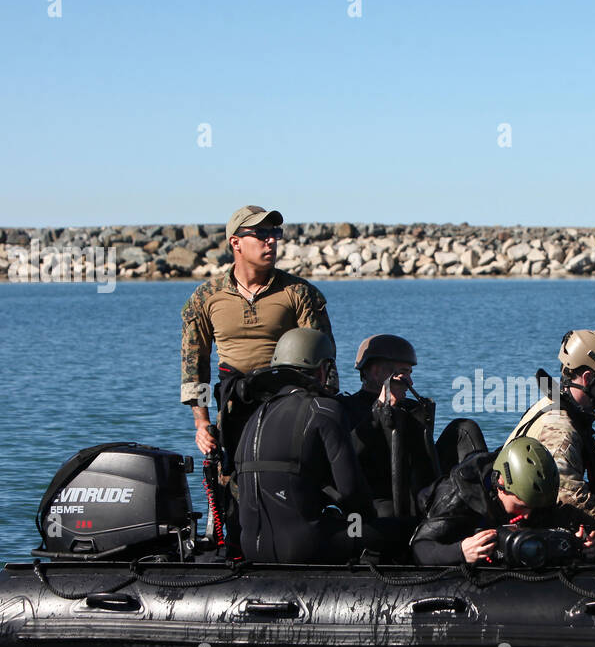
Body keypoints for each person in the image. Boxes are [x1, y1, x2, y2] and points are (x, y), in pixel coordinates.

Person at [234, 329, 401, 564]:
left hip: (252, 548)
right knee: (403, 528)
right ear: (322, 369)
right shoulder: (324, 410)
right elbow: (352, 492)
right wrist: (370, 525)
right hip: (305, 546)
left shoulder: (256, 415)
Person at [180, 205, 332, 459]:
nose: (271, 240)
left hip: (289, 406)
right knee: (233, 485)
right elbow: (195, 367)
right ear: (236, 242)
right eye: (261, 234)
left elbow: (325, 361)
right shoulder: (205, 297)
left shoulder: (299, 292)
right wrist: (201, 423)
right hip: (233, 407)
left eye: (275, 233)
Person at [505, 330, 595, 558]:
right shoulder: (560, 427)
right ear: (589, 378)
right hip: (531, 530)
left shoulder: (549, 403)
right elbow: (568, 494)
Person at [411, 437, 592, 565]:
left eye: (535, 507)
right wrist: (461, 551)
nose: (528, 515)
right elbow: (420, 547)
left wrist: (576, 543)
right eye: (522, 506)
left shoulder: (534, 498)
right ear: (501, 484)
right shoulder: (457, 497)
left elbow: (558, 523)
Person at [337, 334, 442, 519]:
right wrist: (380, 410)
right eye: (403, 373)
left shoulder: (412, 408)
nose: (411, 382)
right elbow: (346, 456)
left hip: (420, 493)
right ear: (377, 372)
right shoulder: (345, 408)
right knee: (390, 513)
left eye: (410, 373)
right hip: (378, 498)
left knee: (464, 428)